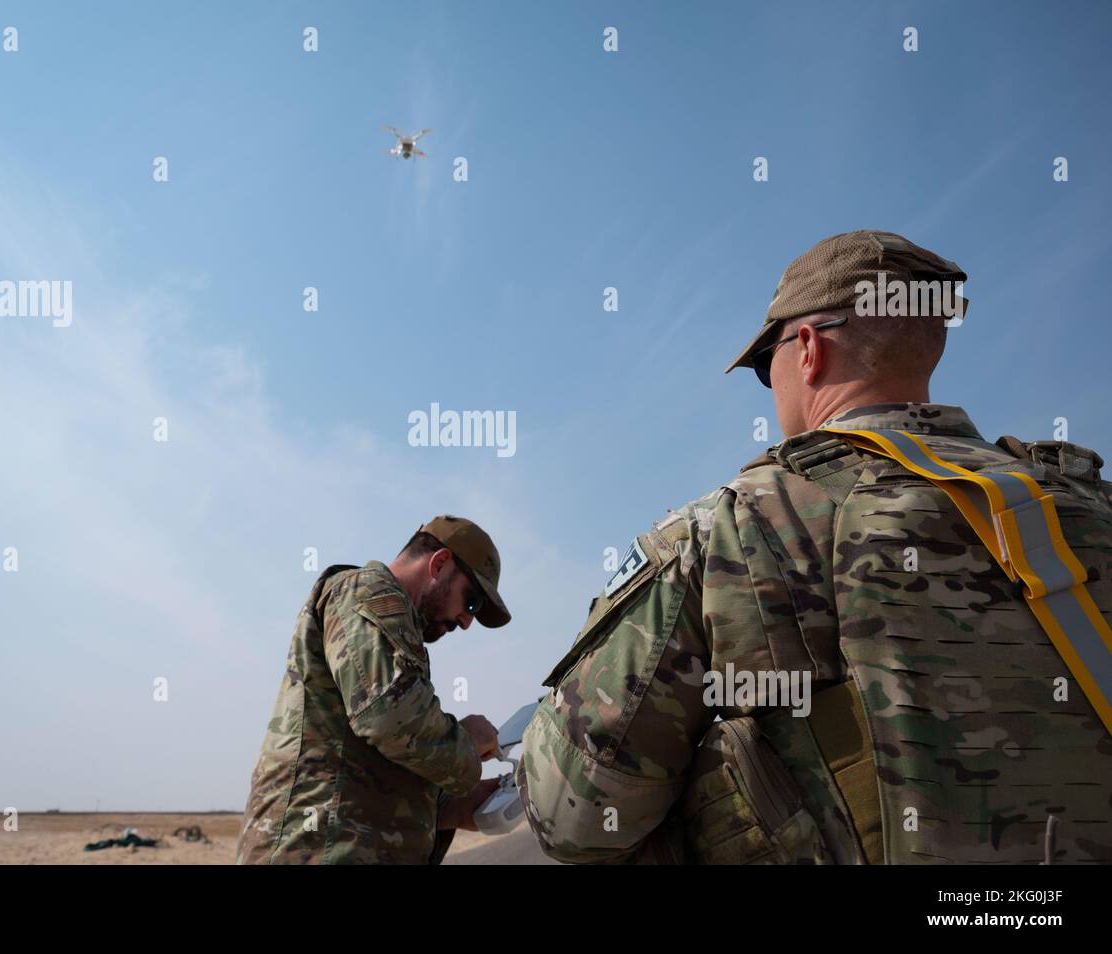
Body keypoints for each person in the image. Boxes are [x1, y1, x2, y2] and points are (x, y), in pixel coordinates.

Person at [517, 229, 1112, 864]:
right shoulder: (1087, 498)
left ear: (807, 349)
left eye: (762, 364)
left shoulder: (728, 527)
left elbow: (574, 816)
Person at [238, 514, 511, 864]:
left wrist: (453, 806)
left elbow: (370, 763)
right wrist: (467, 743)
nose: (467, 621)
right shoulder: (366, 591)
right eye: (471, 601)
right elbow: (389, 717)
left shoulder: (397, 629)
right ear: (440, 563)